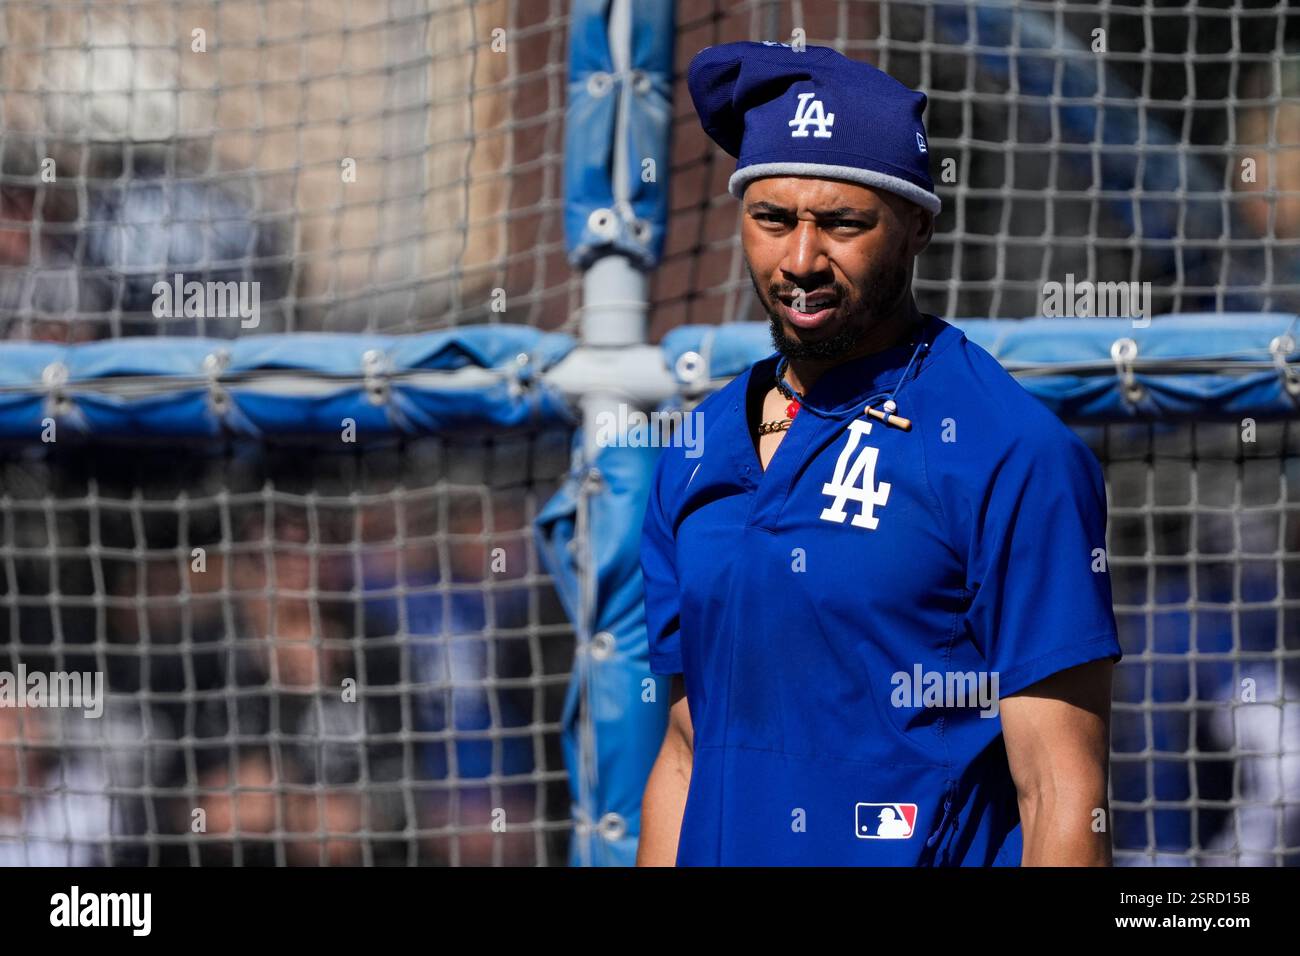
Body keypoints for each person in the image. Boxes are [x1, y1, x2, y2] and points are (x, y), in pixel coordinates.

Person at [637, 42, 1122, 866]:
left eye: (842, 223)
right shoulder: (695, 449)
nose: (799, 260)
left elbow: (1061, 793)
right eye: (773, 219)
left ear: (918, 225)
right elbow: (685, 751)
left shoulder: (1011, 454)